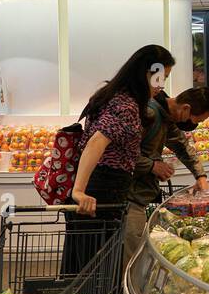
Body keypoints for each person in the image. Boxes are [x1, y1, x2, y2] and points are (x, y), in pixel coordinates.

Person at [64, 45, 175, 270]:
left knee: (87, 269)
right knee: (98, 271)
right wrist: (79, 191)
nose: (162, 85)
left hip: (104, 192)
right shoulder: (126, 105)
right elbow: (97, 141)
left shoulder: (113, 95)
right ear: (146, 73)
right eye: (160, 78)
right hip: (102, 193)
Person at [125, 86, 209, 266]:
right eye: (196, 120)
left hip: (138, 198)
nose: (194, 125)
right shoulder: (150, 114)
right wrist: (152, 166)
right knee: (131, 264)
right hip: (127, 199)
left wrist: (200, 176)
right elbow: (121, 153)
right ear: (186, 108)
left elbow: (182, 146)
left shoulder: (166, 118)